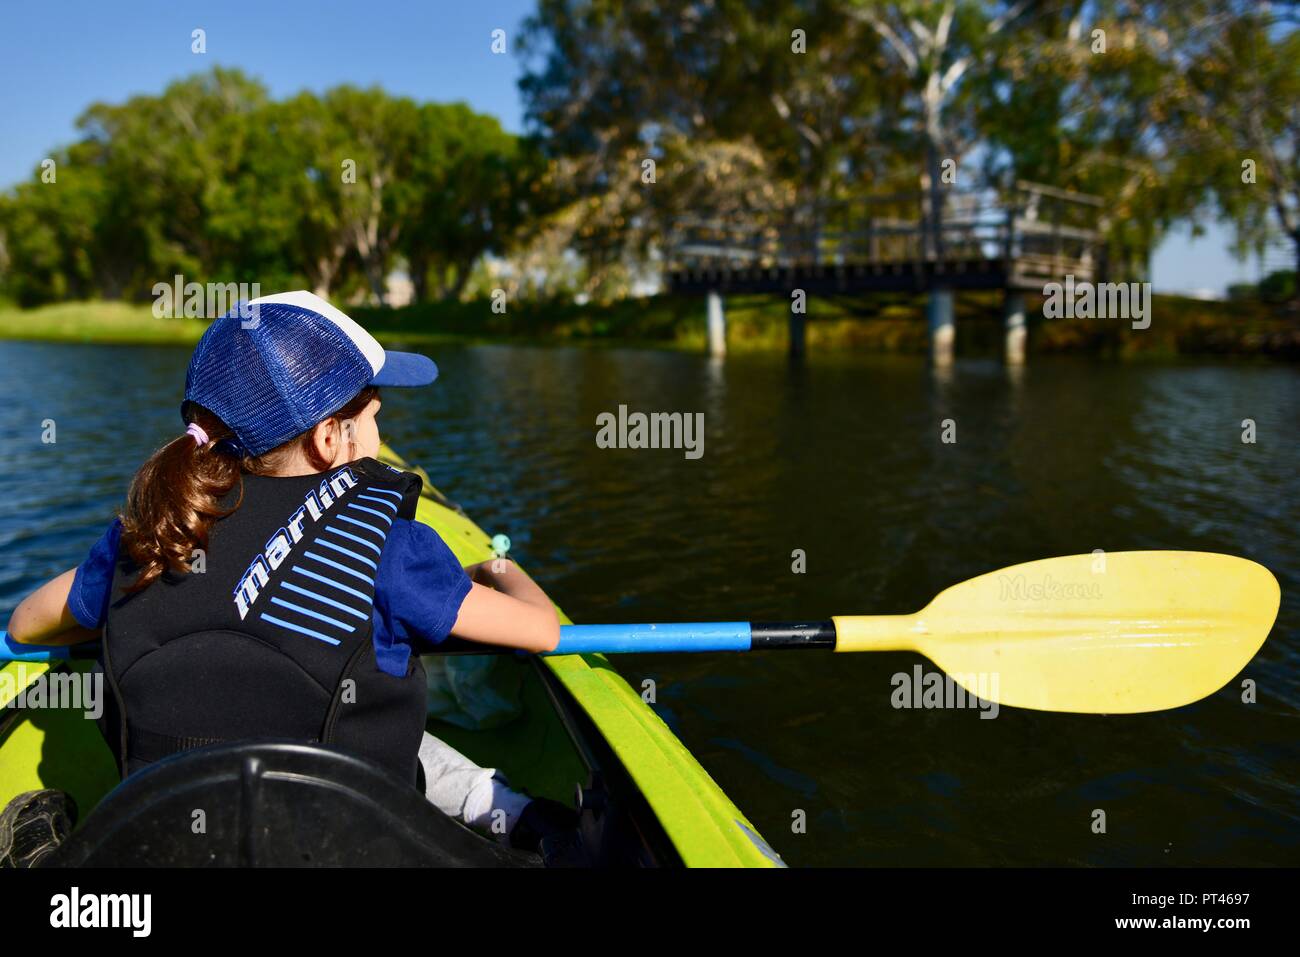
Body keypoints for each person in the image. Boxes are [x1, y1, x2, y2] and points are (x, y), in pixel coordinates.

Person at [3, 290, 574, 862]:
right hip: (350, 849)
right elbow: (542, 630)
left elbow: (27, 626)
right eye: (375, 417)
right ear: (330, 439)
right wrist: (500, 568)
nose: (380, 436)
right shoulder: (393, 550)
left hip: (177, 848)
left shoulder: (148, 539)